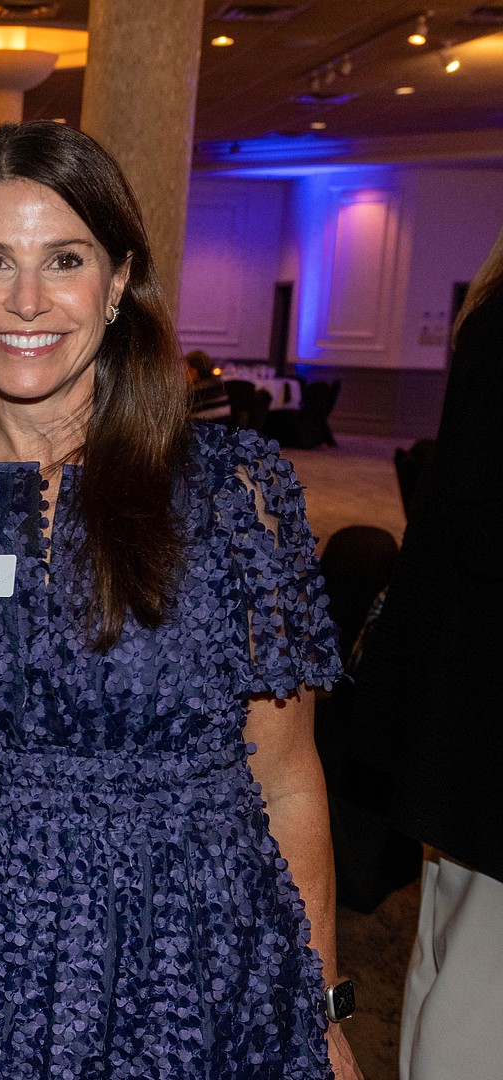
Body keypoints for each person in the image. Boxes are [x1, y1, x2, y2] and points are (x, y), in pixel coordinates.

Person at [0, 120, 362, 1080]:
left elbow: (292, 777)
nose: (26, 300)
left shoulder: (232, 492)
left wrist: (326, 1011)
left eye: (64, 259)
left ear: (118, 279)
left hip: (196, 952)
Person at [346, 225, 503, 1079]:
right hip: (481, 722)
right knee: (479, 982)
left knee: (456, 953)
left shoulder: (490, 306)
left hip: (464, 718)